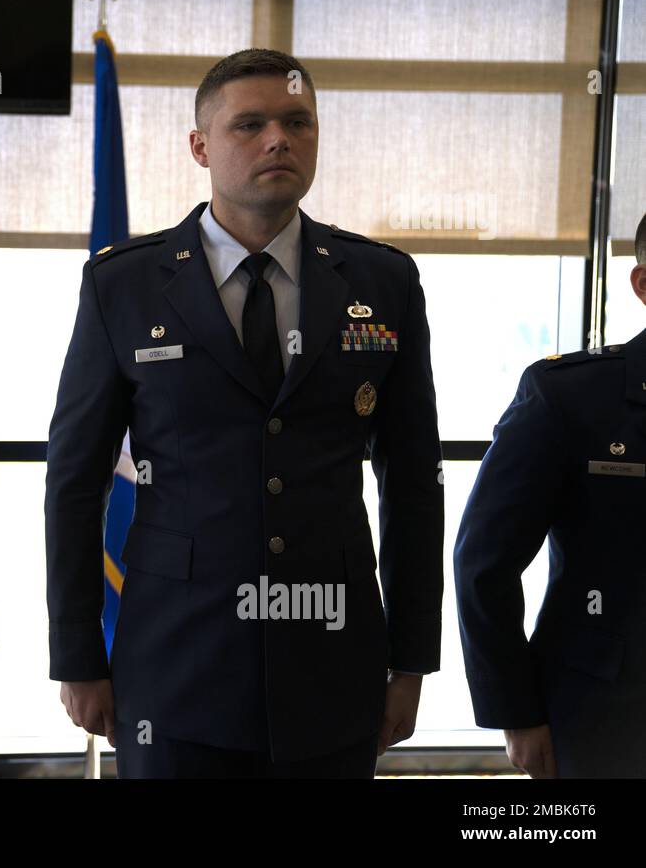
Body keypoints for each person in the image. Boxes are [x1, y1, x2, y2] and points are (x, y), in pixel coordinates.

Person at [45, 49, 444, 778]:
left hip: (332, 660)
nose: (278, 140)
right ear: (200, 146)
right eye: (250, 124)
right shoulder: (124, 287)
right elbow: (74, 481)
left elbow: (414, 483)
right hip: (174, 665)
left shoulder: (384, 282)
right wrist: (77, 656)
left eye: (298, 123)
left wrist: (413, 659)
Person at [454, 215, 646, 778]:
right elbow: (483, 562)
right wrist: (516, 712)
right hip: (602, 712)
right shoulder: (571, 397)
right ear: (642, 286)